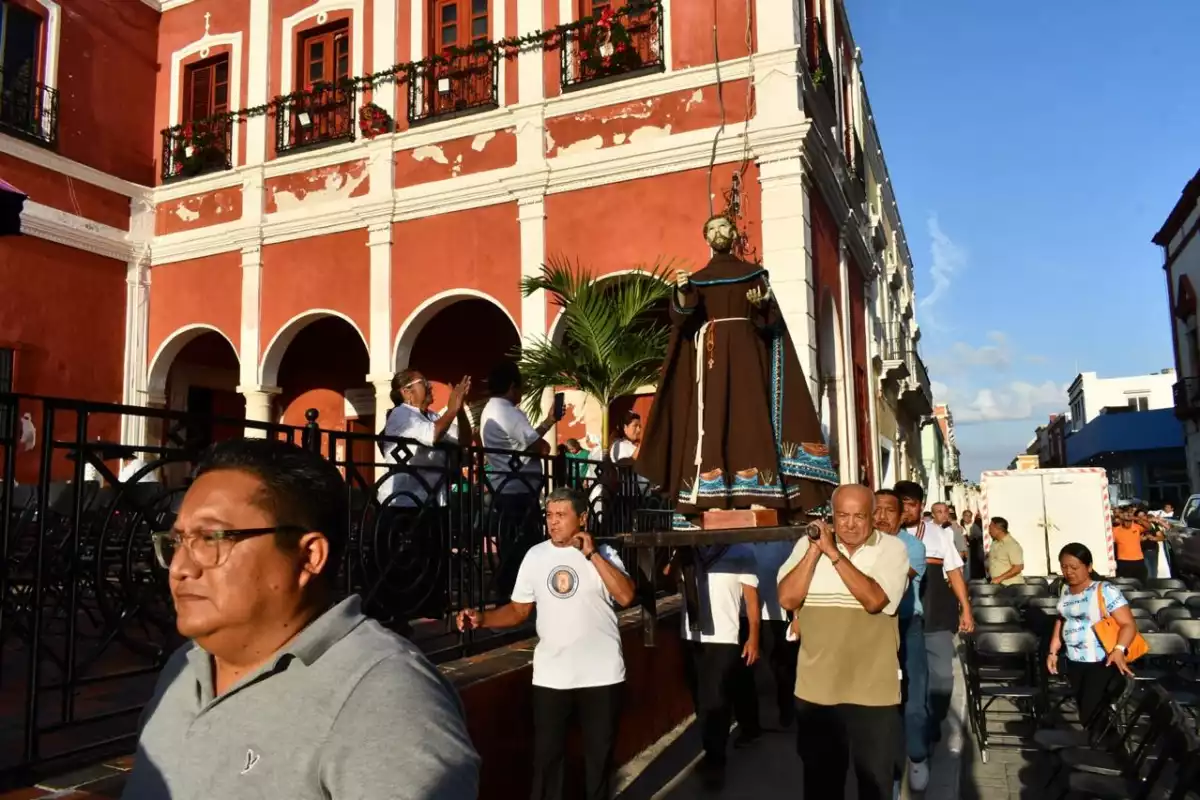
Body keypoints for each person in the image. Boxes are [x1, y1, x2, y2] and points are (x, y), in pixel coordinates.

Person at [123, 439, 479, 800]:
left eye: (211, 538)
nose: (180, 568)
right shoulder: (183, 669)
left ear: (309, 556)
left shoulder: (385, 700)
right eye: (177, 541)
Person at [636, 215, 836, 522]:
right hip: (712, 360)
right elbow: (683, 320)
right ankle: (713, 498)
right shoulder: (697, 279)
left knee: (751, 419)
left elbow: (771, 324)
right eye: (712, 229)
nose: (718, 233)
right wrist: (681, 293)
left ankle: (760, 494)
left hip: (747, 357)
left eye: (723, 227)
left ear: (734, 233)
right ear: (706, 238)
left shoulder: (753, 274)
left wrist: (762, 304)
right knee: (712, 421)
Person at [457, 487, 635, 800]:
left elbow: (625, 595)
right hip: (552, 676)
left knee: (599, 761)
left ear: (581, 518)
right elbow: (518, 610)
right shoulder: (535, 556)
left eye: (561, 515)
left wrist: (592, 555)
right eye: (549, 515)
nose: (553, 522)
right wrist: (481, 619)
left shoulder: (604, 553)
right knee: (548, 761)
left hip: (602, 675)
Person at [777, 484, 910, 800]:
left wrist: (834, 554)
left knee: (874, 784)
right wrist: (813, 551)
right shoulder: (806, 547)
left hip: (873, 693)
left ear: (872, 516)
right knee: (821, 785)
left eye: (858, 516)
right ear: (831, 516)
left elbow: (875, 599)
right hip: (817, 692)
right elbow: (787, 597)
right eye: (842, 516)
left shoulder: (892, 549)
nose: (849, 524)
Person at [893, 484, 974, 763]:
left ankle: (934, 718)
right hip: (903, 619)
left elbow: (953, 571)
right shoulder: (887, 537)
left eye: (911, 503)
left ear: (920, 504)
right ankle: (916, 734)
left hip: (938, 615)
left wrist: (966, 609)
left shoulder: (938, 534)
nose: (906, 509)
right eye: (900, 503)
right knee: (910, 679)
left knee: (941, 677)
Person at [669, 543, 760, 789]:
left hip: (724, 637)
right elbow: (666, 578)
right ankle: (711, 750)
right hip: (691, 636)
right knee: (700, 699)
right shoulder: (690, 549)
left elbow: (751, 600)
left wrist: (753, 637)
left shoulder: (741, 550)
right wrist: (678, 555)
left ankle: (716, 762)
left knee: (717, 699)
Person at [480, 360, 564, 600]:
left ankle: (511, 596)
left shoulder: (492, 408)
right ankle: (513, 598)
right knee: (522, 547)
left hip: (507, 485)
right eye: (520, 387)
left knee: (514, 545)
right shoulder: (506, 410)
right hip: (516, 489)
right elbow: (537, 446)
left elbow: (523, 442)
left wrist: (548, 422)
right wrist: (543, 442)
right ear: (511, 386)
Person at [1047, 543, 1138, 725]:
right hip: (1074, 660)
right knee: (1085, 710)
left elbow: (1128, 624)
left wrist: (1119, 650)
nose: (1069, 572)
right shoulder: (1065, 591)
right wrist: (1053, 651)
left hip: (1102, 660)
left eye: (1074, 567)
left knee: (1092, 711)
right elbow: (1062, 619)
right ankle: (1098, 745)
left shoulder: (1105, 590)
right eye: (1064, 567)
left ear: (1088, 567)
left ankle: (1109, 749)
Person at [876, 488, 929, 792]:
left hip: (907, 626)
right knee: (882, 711)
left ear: (902, 516)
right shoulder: (862, 544)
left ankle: (918, 755)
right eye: (876, 510)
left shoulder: (914, 547)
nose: (881, 518)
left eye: (889, 511)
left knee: (913, 702)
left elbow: (893, 584)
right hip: (873, 629)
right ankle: (891, 783)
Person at [378, 370, 471, 507]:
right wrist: (451, 410)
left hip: (432, 500)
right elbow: (432, 435)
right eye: (423, 383)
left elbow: (464, 440)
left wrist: (460, 410)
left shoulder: (433, 417)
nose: (430, 386)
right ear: (406, 392)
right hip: (405, 502)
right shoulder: (401, 414)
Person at [1111, 504, 1149, 583]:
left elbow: (1149, 527)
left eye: (1129, 521)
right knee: (1125, 584)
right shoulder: (1115, 530)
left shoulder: (1136, 527)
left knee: (1141, 584)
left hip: (1139, 561)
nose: (1127, 523)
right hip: (1123, 562)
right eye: (1125, 520)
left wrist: (1135, 518)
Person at [986, 517, 1025, 586]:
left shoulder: (1012, 545)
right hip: (997, 585)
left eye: (990, 528)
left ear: (998, 529)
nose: (989, 531)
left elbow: (1018, 567)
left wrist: (999, 579)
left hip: (1011, 587)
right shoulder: (994, 543)